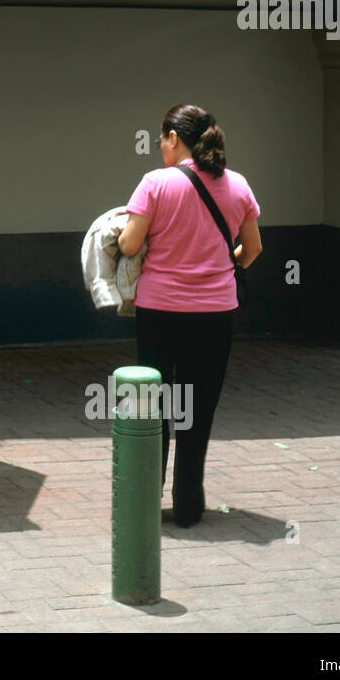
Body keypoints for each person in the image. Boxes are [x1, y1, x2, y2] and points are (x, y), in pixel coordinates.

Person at [116, 104, 262, 528]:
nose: (160, 147)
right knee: (197, 408)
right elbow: (252, 251)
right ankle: (189, 503)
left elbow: (128, 245)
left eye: (162, 139)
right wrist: (217, 264)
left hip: (159, 310)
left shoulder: (155, 183)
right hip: (215, 313)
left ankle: (145, 496)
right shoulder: (237, 185)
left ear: (174, 139)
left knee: (153, 405)